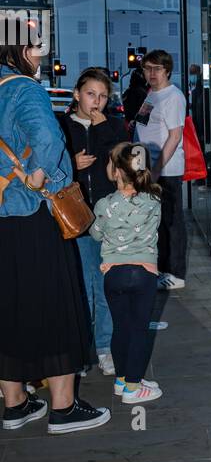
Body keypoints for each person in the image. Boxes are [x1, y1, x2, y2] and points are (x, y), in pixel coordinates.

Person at [0, 35, 110, 434]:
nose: (39, 58)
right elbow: (47, 139)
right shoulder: (23, 89)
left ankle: (14, 404)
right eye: (33, 50)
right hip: (32, 212)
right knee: (57, 300)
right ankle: (62, 407)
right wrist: (41, 177)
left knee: (8, 305)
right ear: (14, 50)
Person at [61, 68, 129, 376]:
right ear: (77, 94)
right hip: (73, 218)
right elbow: (46, 167)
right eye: (91, 94)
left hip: (107, 218)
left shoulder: (113, 127)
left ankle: (104, 348)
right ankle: (80, 351)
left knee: (104, 287)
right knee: (79, 288)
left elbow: (127, 165)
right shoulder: (60, 125)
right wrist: (71, 164)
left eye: (103, 96)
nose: (96, 102)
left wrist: (102, 130)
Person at [90, 142, 163, 405]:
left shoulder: (103, 204)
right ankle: (134, 386)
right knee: (139, 329)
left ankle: (123, 381)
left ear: (118, 172)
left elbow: (95, 234)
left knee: (121, 328)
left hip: (113, 274)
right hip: (143, 273)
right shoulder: (154, 200)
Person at [134, 49, 187, 289]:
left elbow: (175, 137)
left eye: (157, 68)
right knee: (158, 222)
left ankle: (175, 273)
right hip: (150, 168)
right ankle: (164, 268)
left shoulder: (173, 97)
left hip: (167, 171)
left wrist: (156, 169)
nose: (152, 73)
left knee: (172, 222)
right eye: (147, 68)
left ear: (167, 70)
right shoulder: (151, 95)